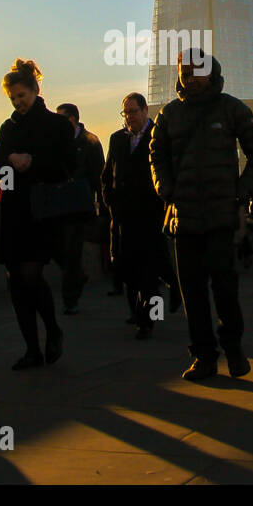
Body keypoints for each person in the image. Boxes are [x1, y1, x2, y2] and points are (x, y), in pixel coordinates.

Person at [150, 48, 253, 380]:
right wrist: (166, 189)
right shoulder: (169, 114)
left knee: (225, 288)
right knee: (192, 292)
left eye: (197, 71)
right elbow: (155, 153)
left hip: (221, 215)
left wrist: (241, 191)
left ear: (212, 72)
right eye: (184, 73)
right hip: (182, 216)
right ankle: (203, 356)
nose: (190, 78)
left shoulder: (232, 109)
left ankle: (233, 348)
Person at [0, 59, 76, 369]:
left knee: (30, 274)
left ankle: (52, 330)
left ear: (35, 90)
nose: (17, 102)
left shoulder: (56, 125)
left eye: (22, 96)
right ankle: (31, 348)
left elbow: (69, 166)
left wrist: (33, 162)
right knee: (15, 281)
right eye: (13, 98)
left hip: (42, 211)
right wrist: (11, 160)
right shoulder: (8, 127)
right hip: (14, 210)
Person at [101, 93, 167, 340]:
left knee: (148, 271)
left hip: (150, 216)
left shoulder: (158, 136)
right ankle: (142, 310)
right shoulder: (117, 140)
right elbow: (107, 173)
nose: (129, 117)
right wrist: (109, 199)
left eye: (133, 112)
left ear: (145, 110)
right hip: (123, 216)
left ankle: (147, 319)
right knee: (126, 268)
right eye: (126, 113)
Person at [55, 103, 105, 314]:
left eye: (62, 119)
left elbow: (99, 175)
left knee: (72, 251)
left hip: (79, 206)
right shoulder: (56, 142)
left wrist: (102, 206)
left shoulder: (90, 141)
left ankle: (70, 299)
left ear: (74, 119)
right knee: (56, 249)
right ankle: (77, 277)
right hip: (57, 205)